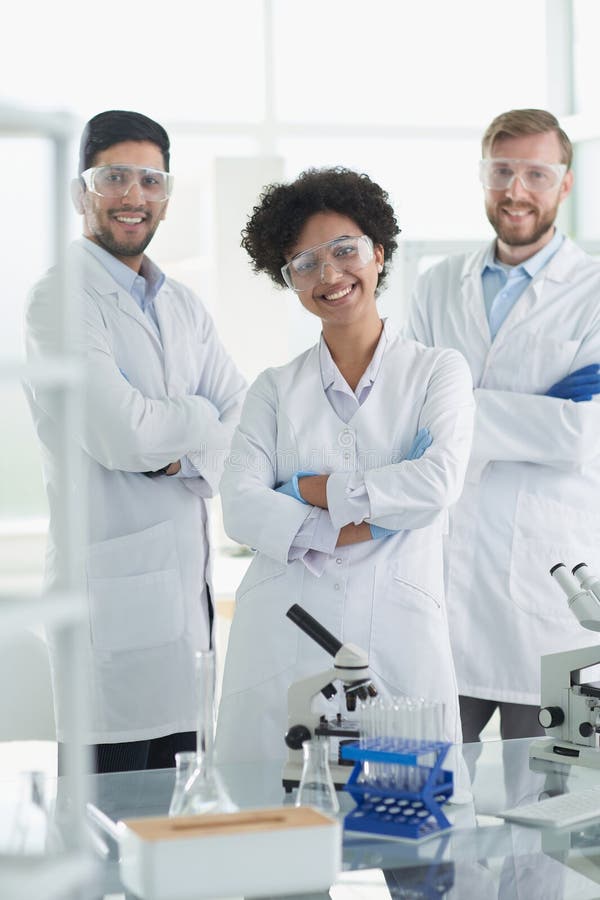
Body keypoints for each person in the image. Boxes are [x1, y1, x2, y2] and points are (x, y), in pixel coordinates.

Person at [215, 167, 474, 766]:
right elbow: (240, 504)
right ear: (289, 281)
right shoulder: (274, 389)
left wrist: (308, 490)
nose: (329, 274)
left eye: (344, 250)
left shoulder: (438, 372)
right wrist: (371, 518)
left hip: (399, 638)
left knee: (416, 844)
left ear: (378, 253)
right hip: (283, 636)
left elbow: (438, 483)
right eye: (304, 263)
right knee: (281, 837)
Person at [24, 110, 246, 773]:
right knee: (102, 846)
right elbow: (124, 435)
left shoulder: (183, 306)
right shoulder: (58, 300)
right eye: (114, 177)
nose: (133, 196)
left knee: (173, 844)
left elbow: (242, 420)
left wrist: (175, 441)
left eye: (150, 180)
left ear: (166, 195)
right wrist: (189, 431)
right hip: (108, 625)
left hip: (187, 626)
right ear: (81, 193)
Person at [404, 108, 600, 743]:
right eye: (503, 171)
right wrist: (540, 411)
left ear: (565, 184)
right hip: (444, 589)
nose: (517, 190)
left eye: (537, 174)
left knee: (547, 820)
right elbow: (407, 417)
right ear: (483, 176)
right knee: (426, 803)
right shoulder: (437, 288)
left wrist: (457, 409)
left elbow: (584, 435)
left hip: (549, 597)